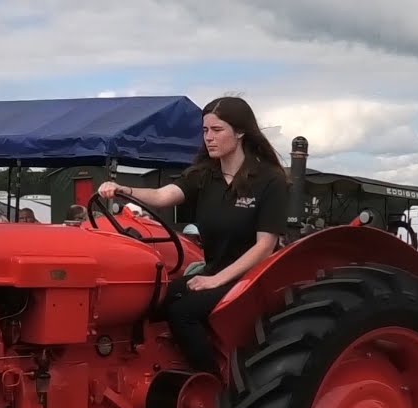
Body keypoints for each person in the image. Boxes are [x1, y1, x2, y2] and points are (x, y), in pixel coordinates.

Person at [97, 96, 289, 375]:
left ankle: (214, 382)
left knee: (183, 312)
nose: (209, 138)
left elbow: (265, 246)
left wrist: (216, 280)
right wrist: (123, 189)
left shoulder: (269, 179)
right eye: (205, 130)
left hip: (252, 278)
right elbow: (162, 196)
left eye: (217, 130)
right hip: (214, 270)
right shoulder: (204, 175)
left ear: (240, 132)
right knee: (154, 301)